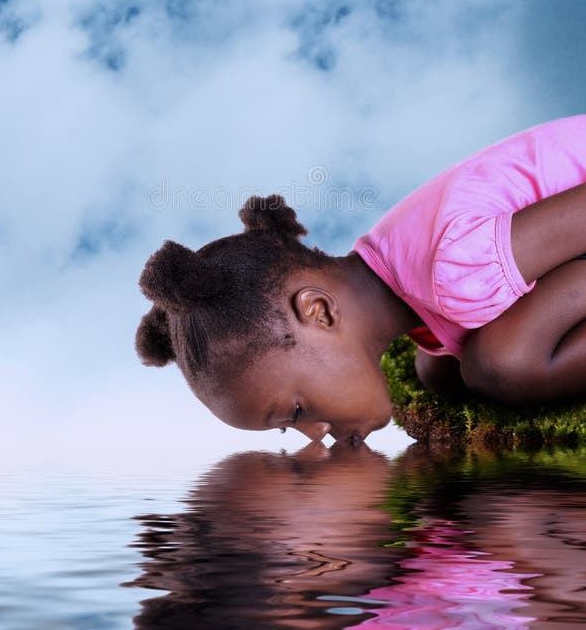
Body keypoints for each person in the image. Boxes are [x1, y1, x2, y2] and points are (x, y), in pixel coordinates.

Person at [135, 114, 586, 445]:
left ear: (318, 310)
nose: (314, 435)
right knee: (441, 370)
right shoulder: (403, 273)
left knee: (503, 364)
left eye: (295, 412)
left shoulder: (456, 266)